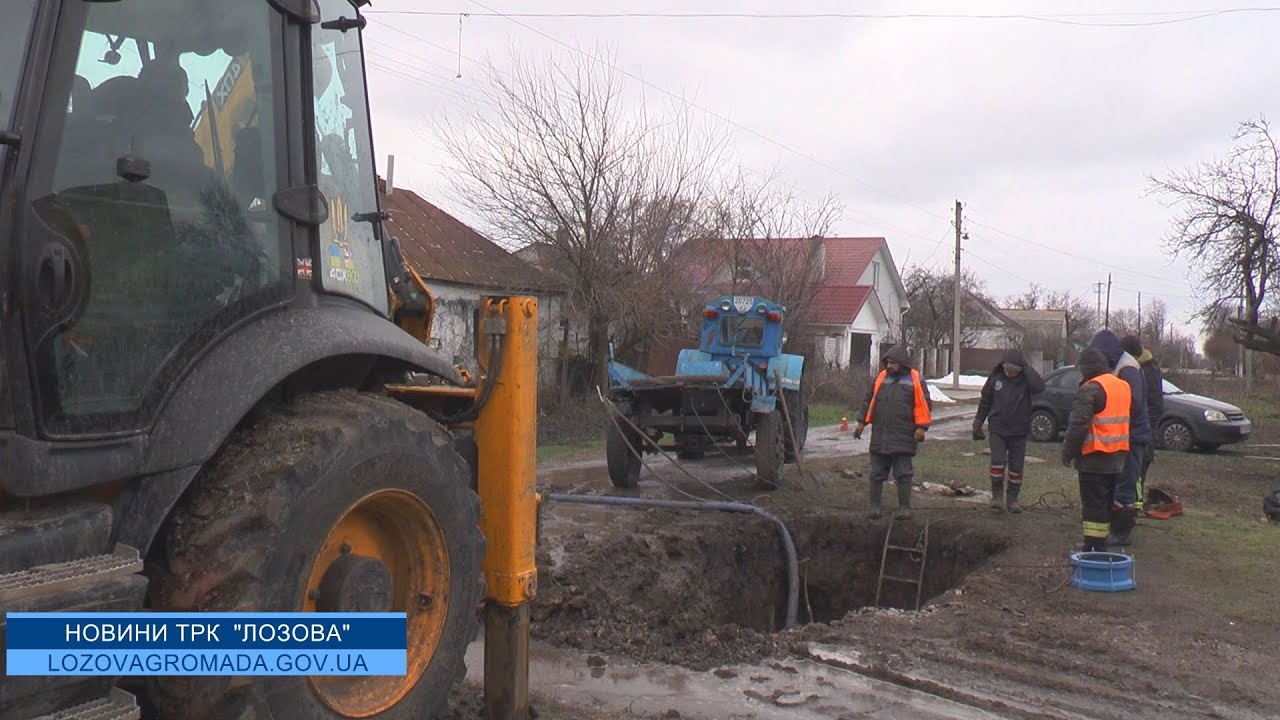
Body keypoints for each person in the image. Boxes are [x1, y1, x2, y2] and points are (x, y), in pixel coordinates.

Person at [1062, 348, 1131, 551]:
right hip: (1118, 457)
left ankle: (1093, 548)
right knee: (1106, 503)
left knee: (1093, 506)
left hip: (1094, 457)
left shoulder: (1090, 389)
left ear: (1087, 369)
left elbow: (1078, 426)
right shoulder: (1122, 385)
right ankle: (1100, 544)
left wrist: (1068, 453)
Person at [1088, 330, 1152, 546]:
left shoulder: (1127, 368)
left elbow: (1133, 402)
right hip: (1122, 434)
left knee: (1126, 482)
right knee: (1118, 481)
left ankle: (1122, 532)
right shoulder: (1118, 365)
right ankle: (1115, 526)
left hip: (1132, 436)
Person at [855, 345, 933, 520]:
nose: (889, 366)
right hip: (880, 435)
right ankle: (874, 507)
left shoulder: (915, 379)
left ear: (902, 363)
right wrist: (861, 422)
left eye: (892, 363)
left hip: (904, 436)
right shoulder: (881, 378)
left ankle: (904, 508)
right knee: (876, 473)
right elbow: (869, 400)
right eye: (887, 363)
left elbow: (924, 405)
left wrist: (921, 428)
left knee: (903, 473)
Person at [972, 349, 1046, 514]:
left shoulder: (1026, 380)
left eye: (1013, 370)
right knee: (997, 462)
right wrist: (978, 423)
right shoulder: (995, 378)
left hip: (1019, 431)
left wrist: (1027, 369)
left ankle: (1012, 499)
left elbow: (1039, 387)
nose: (1009, 373)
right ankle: (997, 497)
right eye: (1007, 369)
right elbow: (985, 401)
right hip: (997, 429)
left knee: (1016, 467)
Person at [1121, 334, 1164, 508]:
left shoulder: (1144, 371)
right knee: (1134, 473)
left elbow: (1152, 405)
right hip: (1143, 431)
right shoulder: (1146, 368)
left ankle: (1133, 507)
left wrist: (1146, 430)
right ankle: (1133, 505)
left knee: (1136, 473)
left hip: (1143, 432)